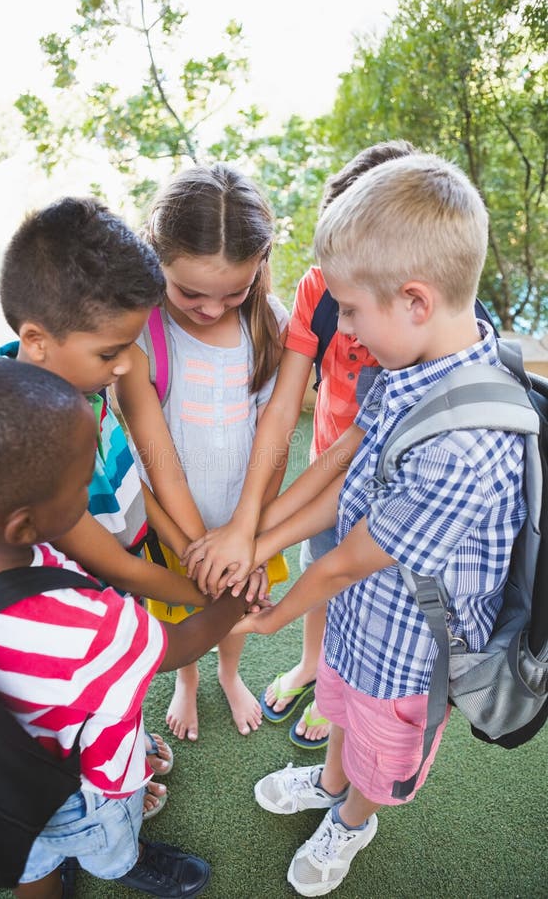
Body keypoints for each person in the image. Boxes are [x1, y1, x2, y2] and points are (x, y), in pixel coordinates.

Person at [232, 153, 527, 896]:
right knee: (338, 705)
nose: (349, 331)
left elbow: (345, 561)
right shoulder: (410, 369)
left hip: (410, 653)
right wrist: (268, 538)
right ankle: (330, 780)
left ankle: (353, 819)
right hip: (362, 624)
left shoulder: (468, 447)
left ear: (416, 301)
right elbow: (354, 481)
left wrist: (269, 622)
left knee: (380, 748)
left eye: (354, 313)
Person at [0, 356, 259, 898]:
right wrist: (232, 604)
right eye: (80, 483)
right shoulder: (86, 626)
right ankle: (123, 863)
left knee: (31, 856)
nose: (91, 491)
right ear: (24, 521)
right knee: (107, 836)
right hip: (82, 786)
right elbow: (179, 646)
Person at [182, 141, 415, 750]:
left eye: (353, 294)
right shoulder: (318, 289)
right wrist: (249, 534)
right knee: (320, 563)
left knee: (356, 582)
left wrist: (253, 537)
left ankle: (338, 678)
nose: (341, 301)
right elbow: (286, 406)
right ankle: (312, 664)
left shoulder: (418, 334)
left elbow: (360, 457)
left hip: (388, 475)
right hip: (330, 449)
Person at [0, 196, 215, 818]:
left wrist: (185, 543)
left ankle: (127, 744)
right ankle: (113, 797)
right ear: (37, 340)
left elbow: (127, 479)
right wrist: (206, 594)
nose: (125, 365)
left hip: (122, 564)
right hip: (83, 603)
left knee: (120, 690)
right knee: (90, 703)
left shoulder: (78, 385)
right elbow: (110, 567)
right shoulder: (35, 437)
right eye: (110, 352)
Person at [115, 163, 290, 741]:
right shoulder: (142, 331)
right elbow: (154, 456)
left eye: (232, 292)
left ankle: (229, 672)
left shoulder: (270, 324)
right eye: (190, 291)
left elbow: (275, 442)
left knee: (235, 608)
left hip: (245, 510)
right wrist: (194, 548)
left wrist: (250, 532)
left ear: (259, 267)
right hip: (175, 520)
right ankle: (188, 681)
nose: (212, 309)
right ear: (154, 258)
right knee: (183, 610)